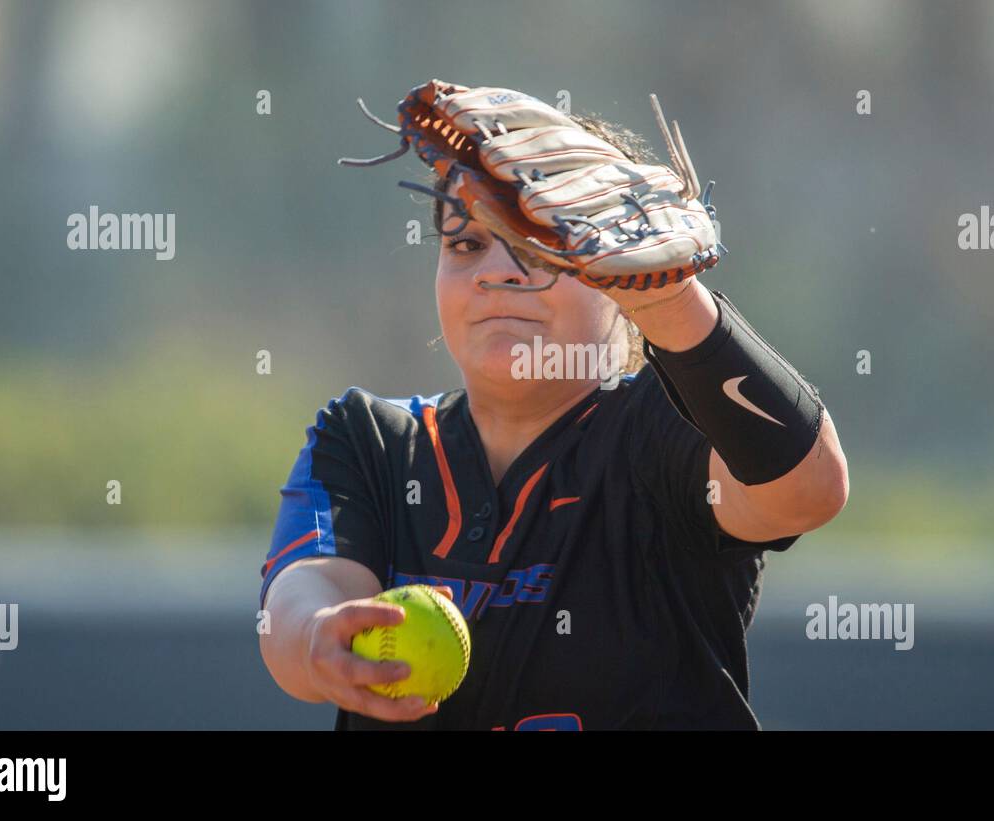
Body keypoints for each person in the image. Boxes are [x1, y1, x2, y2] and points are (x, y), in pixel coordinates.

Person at [258, 109, 849, 730]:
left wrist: (668, 298)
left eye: (541, 246)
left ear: (620, 272)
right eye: (466, 243)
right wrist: (317, 636)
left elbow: (808, 491)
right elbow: (300, 601)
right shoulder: (370, 441)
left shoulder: (665, 421)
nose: (497, 272)